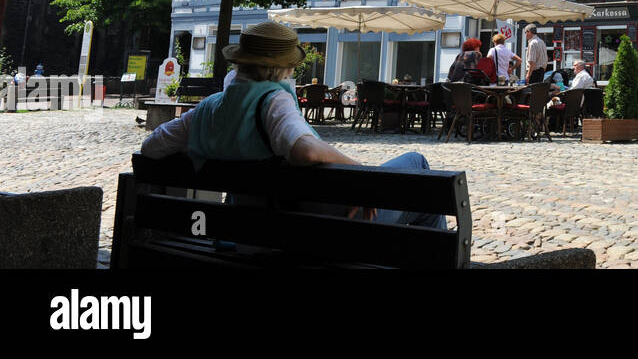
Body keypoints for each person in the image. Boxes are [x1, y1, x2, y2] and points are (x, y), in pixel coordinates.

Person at [140, 21, 445, 226]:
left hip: (255, 230)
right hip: (324, 224)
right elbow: (304, 152)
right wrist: (362, 176)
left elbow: (151, 146)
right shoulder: (273, 101)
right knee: (417, 163)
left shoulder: (208, 109)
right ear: (285, 66)